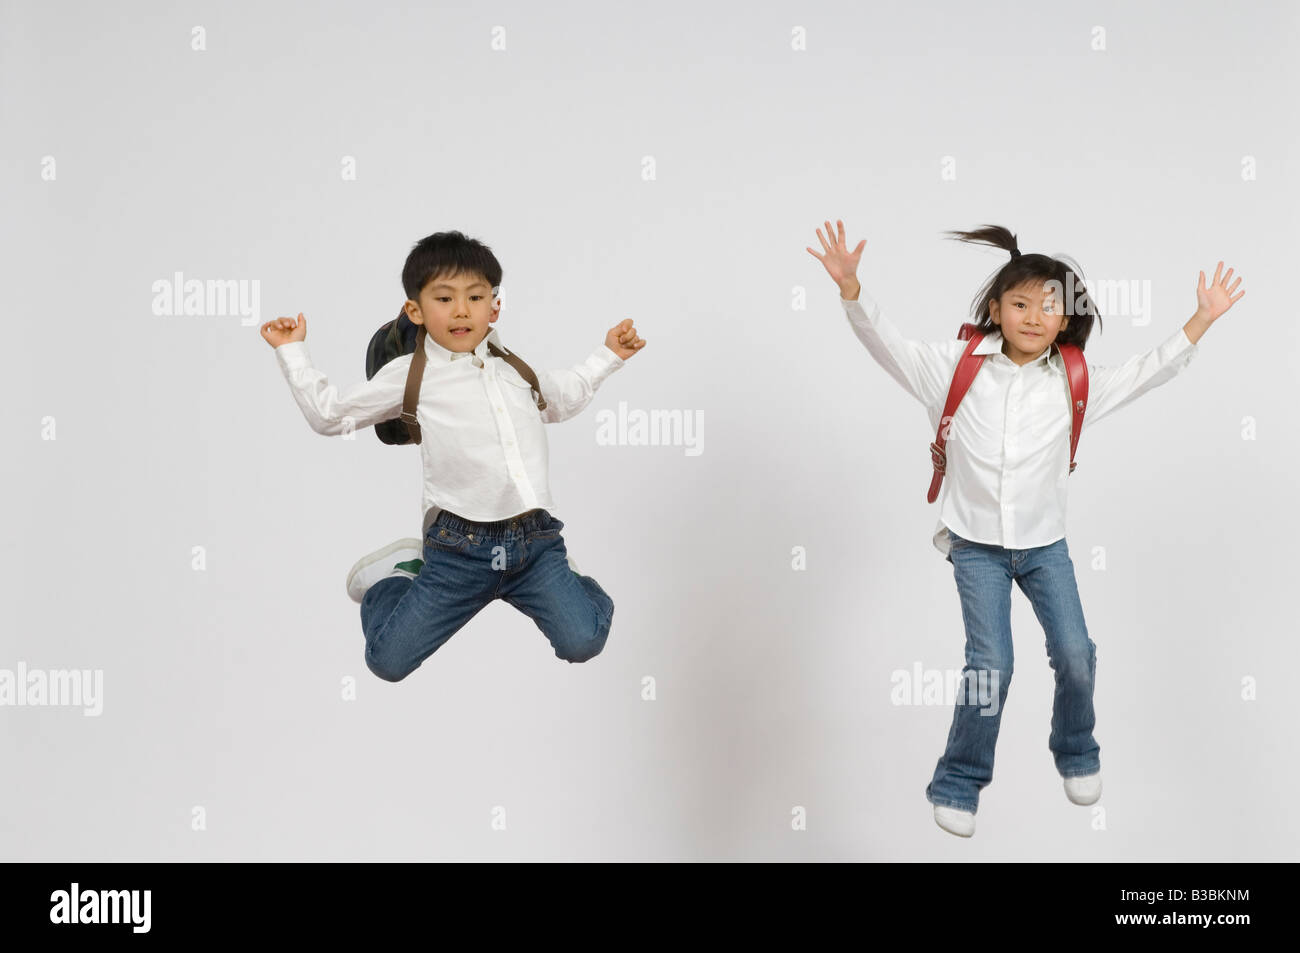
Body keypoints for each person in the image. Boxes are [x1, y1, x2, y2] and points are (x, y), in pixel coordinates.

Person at [807, 219, 1243, 836]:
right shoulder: (955, 368)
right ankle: (958, 782)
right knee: (992, 666)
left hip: (1044, 547)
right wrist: (853, 289)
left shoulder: (1074, 381)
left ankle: (1077, 751)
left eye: (1049, 306)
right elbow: (889, 345)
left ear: (1066, 319)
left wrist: (1200, 320)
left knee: (1076, 654)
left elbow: (1150, 370)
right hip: (976, 546)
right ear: (995, 309)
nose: (1033, 316)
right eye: (1019, 303)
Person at [261, 230, 645, 681]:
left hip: (535, 543)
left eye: (475, 296)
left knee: (583, 640)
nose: (462, 310)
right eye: (444, 298)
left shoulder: (515, 369)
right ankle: (398, 575)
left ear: (494, 306)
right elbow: (329, 416)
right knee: (387, 661)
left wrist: (608, 355)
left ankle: (569, 586)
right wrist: (292, 351)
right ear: (416, 311)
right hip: (457, 551)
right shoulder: (410, 375)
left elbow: (563, 398)